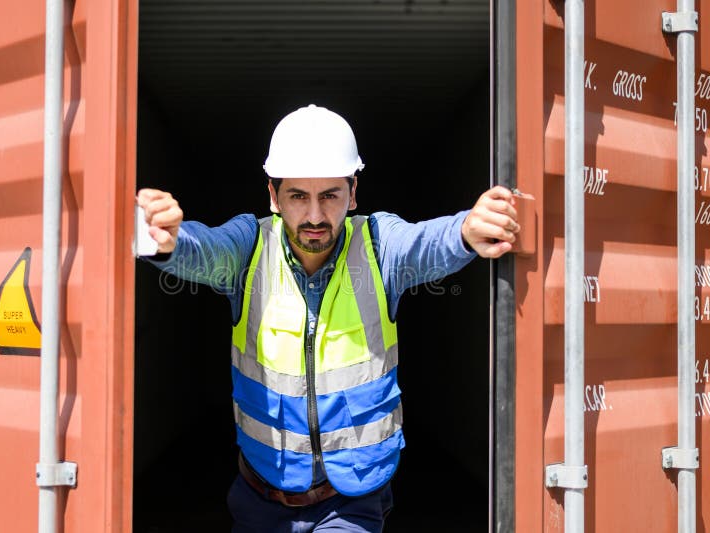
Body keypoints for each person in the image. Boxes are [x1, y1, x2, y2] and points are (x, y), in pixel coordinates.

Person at [136, 104, 520, 533]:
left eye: (330, 195)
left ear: (353, 193)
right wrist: (167, 239)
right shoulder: (247, 249)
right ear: (273, 196)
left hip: (351, 501)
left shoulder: (378, 246)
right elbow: (202, 250)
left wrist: (467, 229)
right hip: (259, 499)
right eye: (298, 196)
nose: (315, 216)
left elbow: (424, 243)